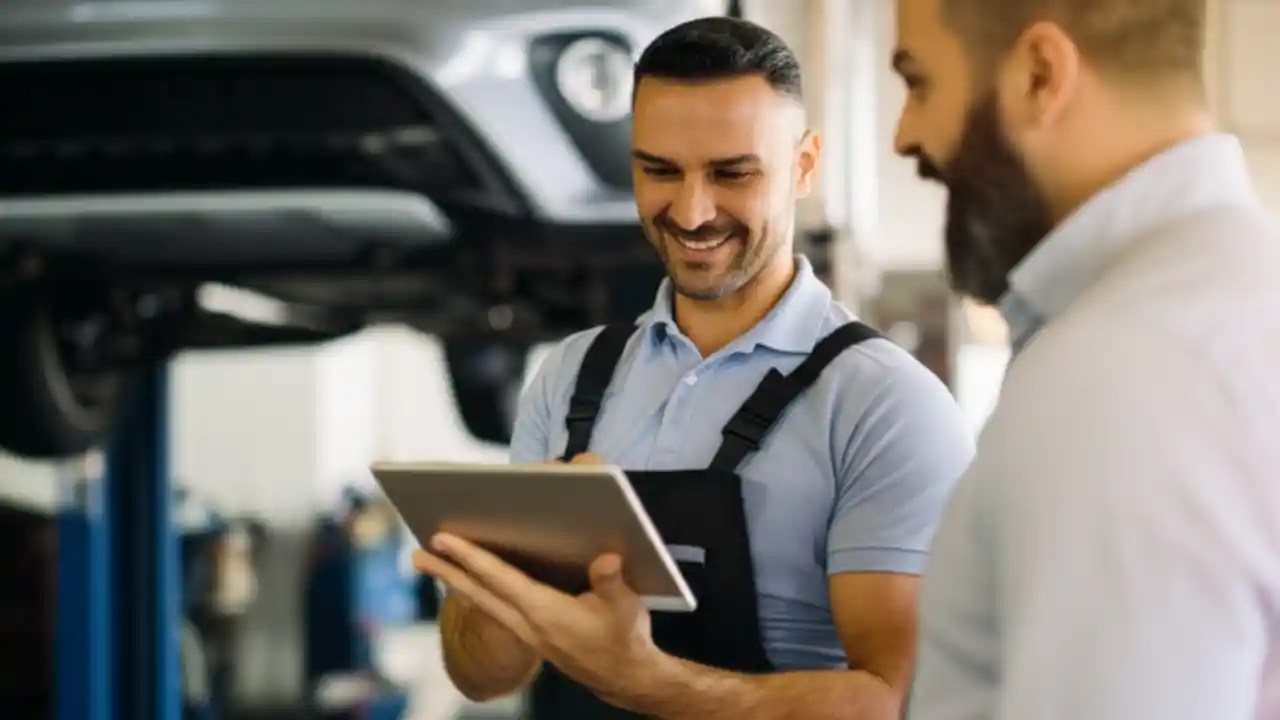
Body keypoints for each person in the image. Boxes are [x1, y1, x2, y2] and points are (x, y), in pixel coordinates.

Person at [412, 16, 975, 720]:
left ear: (803, 165)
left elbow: (896, 702)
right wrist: (499, 568)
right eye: (660, 171)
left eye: (731, 173)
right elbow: (482, 677)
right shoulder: (570, 377)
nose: (692, 210)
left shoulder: (883, 403)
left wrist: (648, 682)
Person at [890, 0, 1280, 718]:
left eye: (918, 83)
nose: (904, 134)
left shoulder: (1122, 380)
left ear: (1040, 75)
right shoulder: (1241, 297)